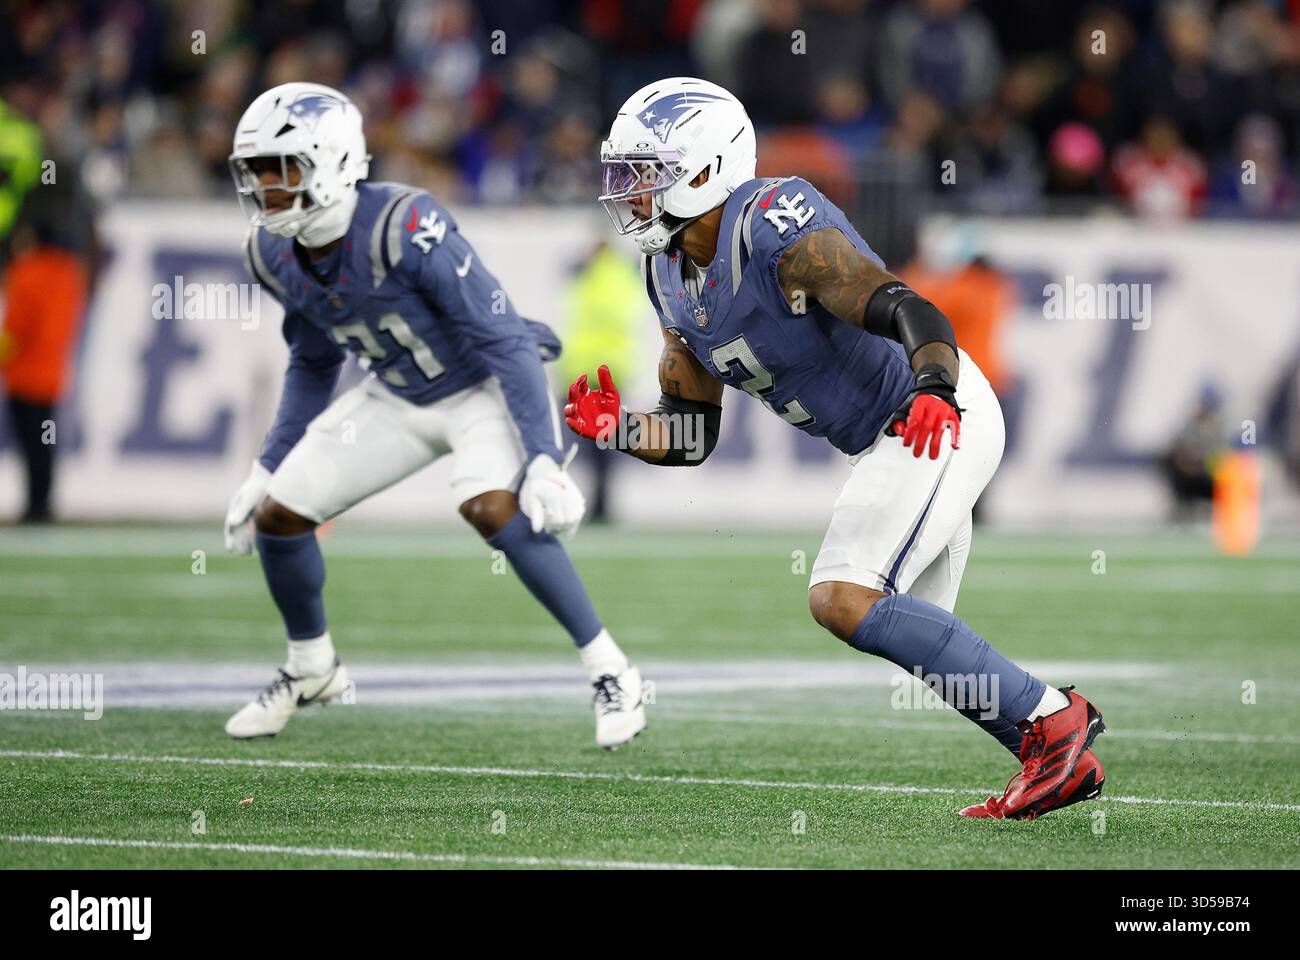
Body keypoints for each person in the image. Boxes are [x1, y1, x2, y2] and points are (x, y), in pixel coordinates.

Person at [566, 77, 1104, 819]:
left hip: (933, 411)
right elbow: (694, 433)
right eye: (623, 171)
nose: (627, 189)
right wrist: (618, 430)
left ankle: (1057, 719)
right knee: (910, 627)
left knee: (844, 596)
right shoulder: (667, 275)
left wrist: (933, 387)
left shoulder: (772, 225)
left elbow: (904, 304)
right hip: (885, 436)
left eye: (644, 171)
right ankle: (1052, 759)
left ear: (703, 168)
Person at [222, 83, 645, 748]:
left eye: (282, 171)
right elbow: (312, 361)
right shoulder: (271, 251)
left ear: (332, 163)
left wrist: (541, 456)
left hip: (478, 387)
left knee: (494, 508)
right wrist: (265, 464)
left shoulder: (402, 224)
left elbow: (505, 336)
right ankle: (311, 668)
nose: (267, 190)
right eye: (256, 175)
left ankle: (613, 670)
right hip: (395, 395)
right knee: (280, 516)